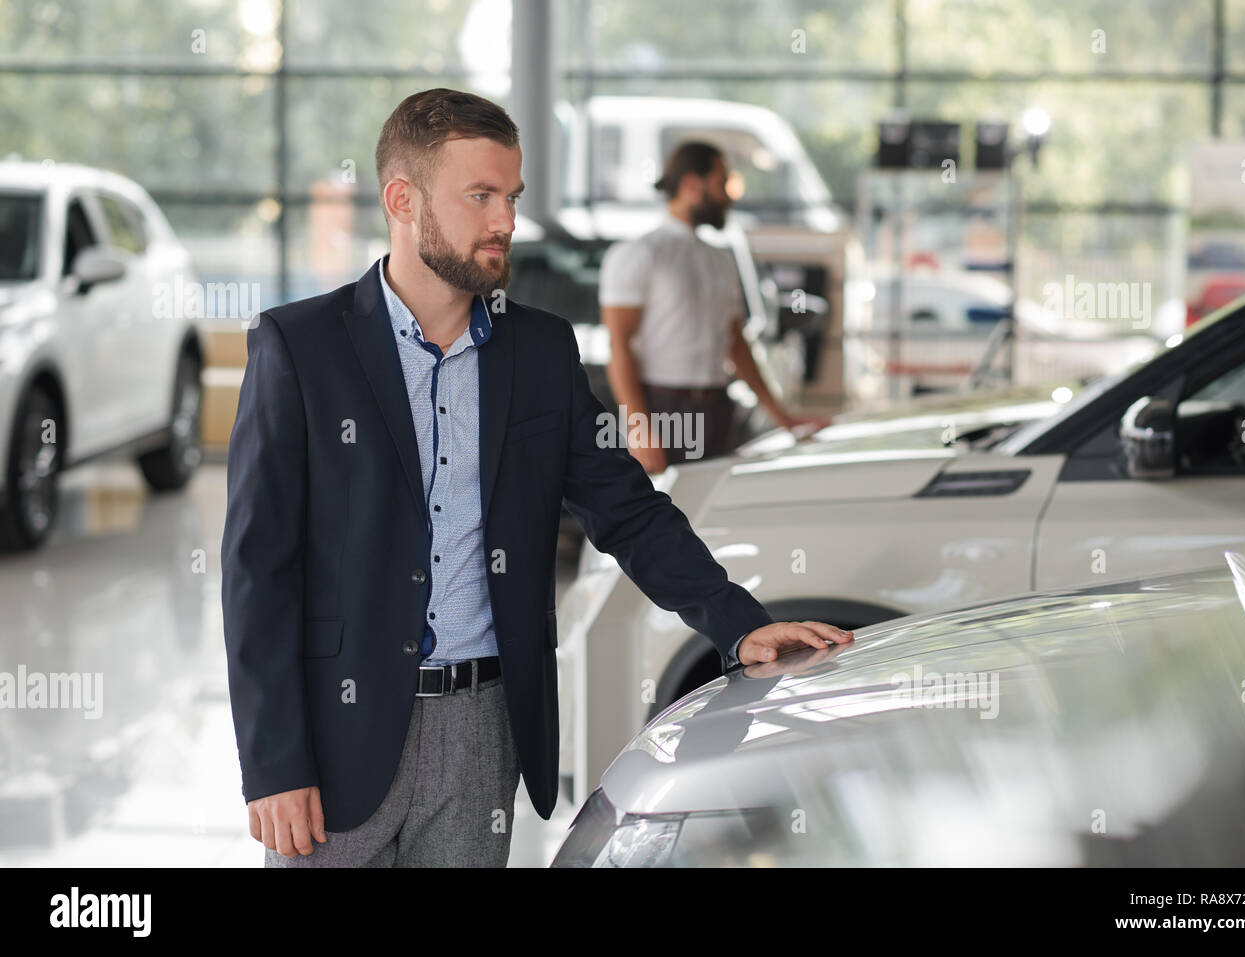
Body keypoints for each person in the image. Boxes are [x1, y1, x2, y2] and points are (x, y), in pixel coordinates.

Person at [220, 88, 853, 868]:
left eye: (511, 197)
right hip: (335, 734)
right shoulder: (300, 346)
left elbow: (626, 508)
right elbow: (258, 568)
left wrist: (738, 621)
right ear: (402, 199)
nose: (505, 222)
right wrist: (274, 763)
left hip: (485, 730)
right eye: (480, 196)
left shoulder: (540, 352)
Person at [598, 140, 830, 474]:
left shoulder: (720, 259)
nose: (729, 195)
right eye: (722, 183)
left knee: (712, 519)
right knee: (659, 519)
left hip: (719, 409)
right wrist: (640, 429)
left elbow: (736, 343)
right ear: (692, 185)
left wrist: (783, 418)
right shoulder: (639, 254)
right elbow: (618, 346)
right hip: (665, 410)